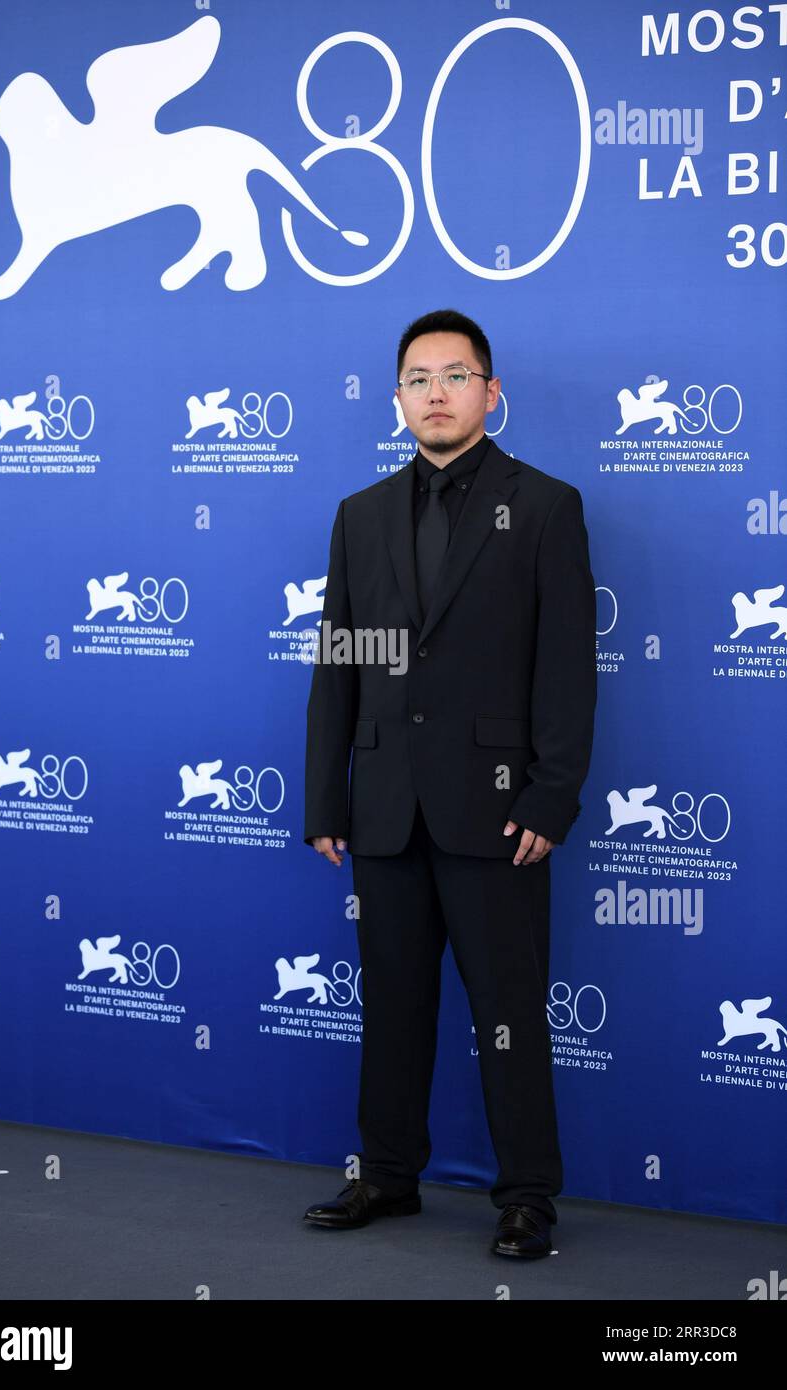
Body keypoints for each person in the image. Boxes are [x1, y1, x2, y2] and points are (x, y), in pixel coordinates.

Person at [302, 308, 597, 1258]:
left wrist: (551, 796)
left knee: (509, 1013)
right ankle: (386, 1176)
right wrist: (325, 798)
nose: (437, 392)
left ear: (491, 391)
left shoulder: (546, 507)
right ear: (397, 400)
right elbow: (339, 666)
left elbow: (565, 669)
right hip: (385, 812)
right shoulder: (360, 516)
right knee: (392, 1005)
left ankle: (526, 1198)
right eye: (419, 378)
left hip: (501, 812)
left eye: (456, 375)